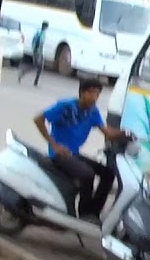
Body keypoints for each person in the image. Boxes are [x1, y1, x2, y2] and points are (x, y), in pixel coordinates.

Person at [33, 79, 125, 220]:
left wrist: (126, 133)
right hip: (59, 155)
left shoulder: (93, 111)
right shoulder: (66, 106)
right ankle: (84, 214)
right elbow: (38, 119)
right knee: (87, 175)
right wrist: (54, 145)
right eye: (91, 93)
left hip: (74, 154)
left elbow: (107, 132)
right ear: (82, 93)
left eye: (97, 94)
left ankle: (93, 212)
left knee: (108, 173)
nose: (94, 97)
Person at [18, 21, 48, 85]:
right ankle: (23, 73)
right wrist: (36, 52)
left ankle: (35, 81)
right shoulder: (40, 33)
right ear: (45, 27)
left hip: (39, 52)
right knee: (35, 66)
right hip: (37, 52)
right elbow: (38, 44)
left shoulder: (41, 33)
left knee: (39, 67)